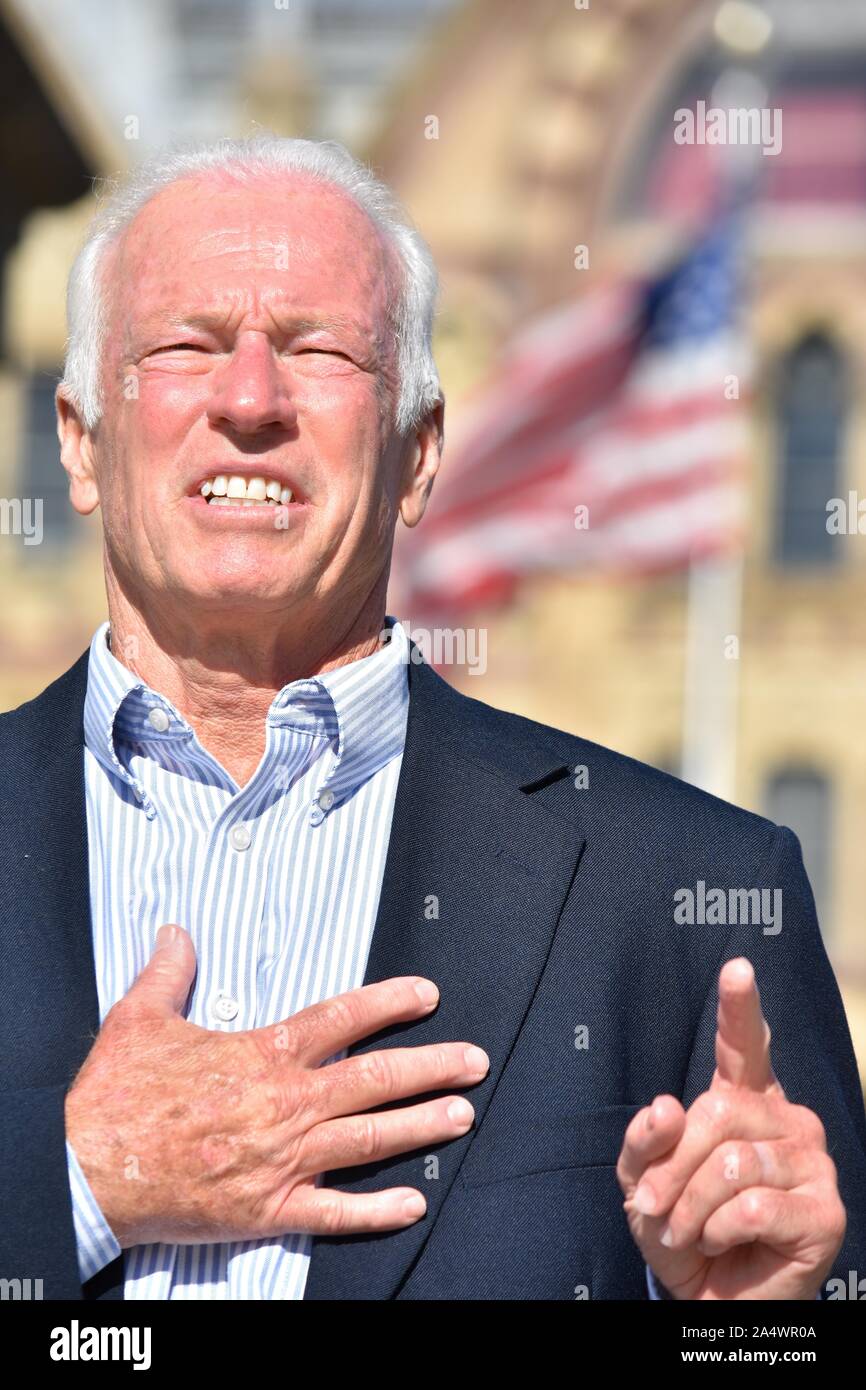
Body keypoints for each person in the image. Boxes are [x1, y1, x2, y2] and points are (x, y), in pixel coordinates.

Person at [0, 136, 862, 1301]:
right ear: (78, 438)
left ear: (415, 455)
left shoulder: (683, 892)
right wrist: (71, 1182)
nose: (248, 400)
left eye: (316, 350)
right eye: (184, 347)